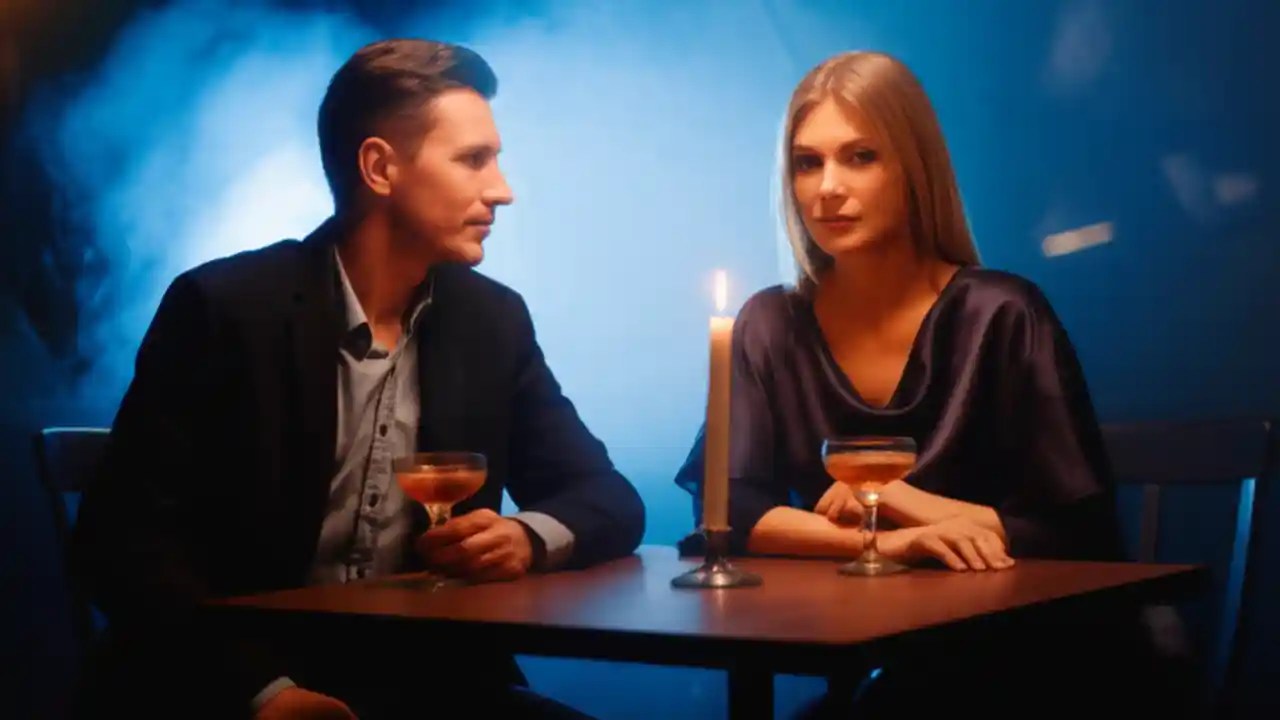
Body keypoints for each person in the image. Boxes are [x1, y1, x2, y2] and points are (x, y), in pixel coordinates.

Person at [72, 38, 644, 720]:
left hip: (426, 681)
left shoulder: (491, 321)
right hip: (224, 682)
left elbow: (609, 499)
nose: (502, 189)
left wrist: (525, 538)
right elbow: (121, 544)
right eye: (473, 160)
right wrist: (264, 695)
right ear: (379, 167)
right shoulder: (223, 309)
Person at [673, 51, 1175, 717]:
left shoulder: (1003, 313)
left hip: (1046, 664)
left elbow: (1074, 534)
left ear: (914, 166)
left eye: (860, 156)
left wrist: (890, 496)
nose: (827, 187)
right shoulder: (769, 322)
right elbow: (733, 512)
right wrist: (891, 543)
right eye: (807, 162)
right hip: (887, 669)